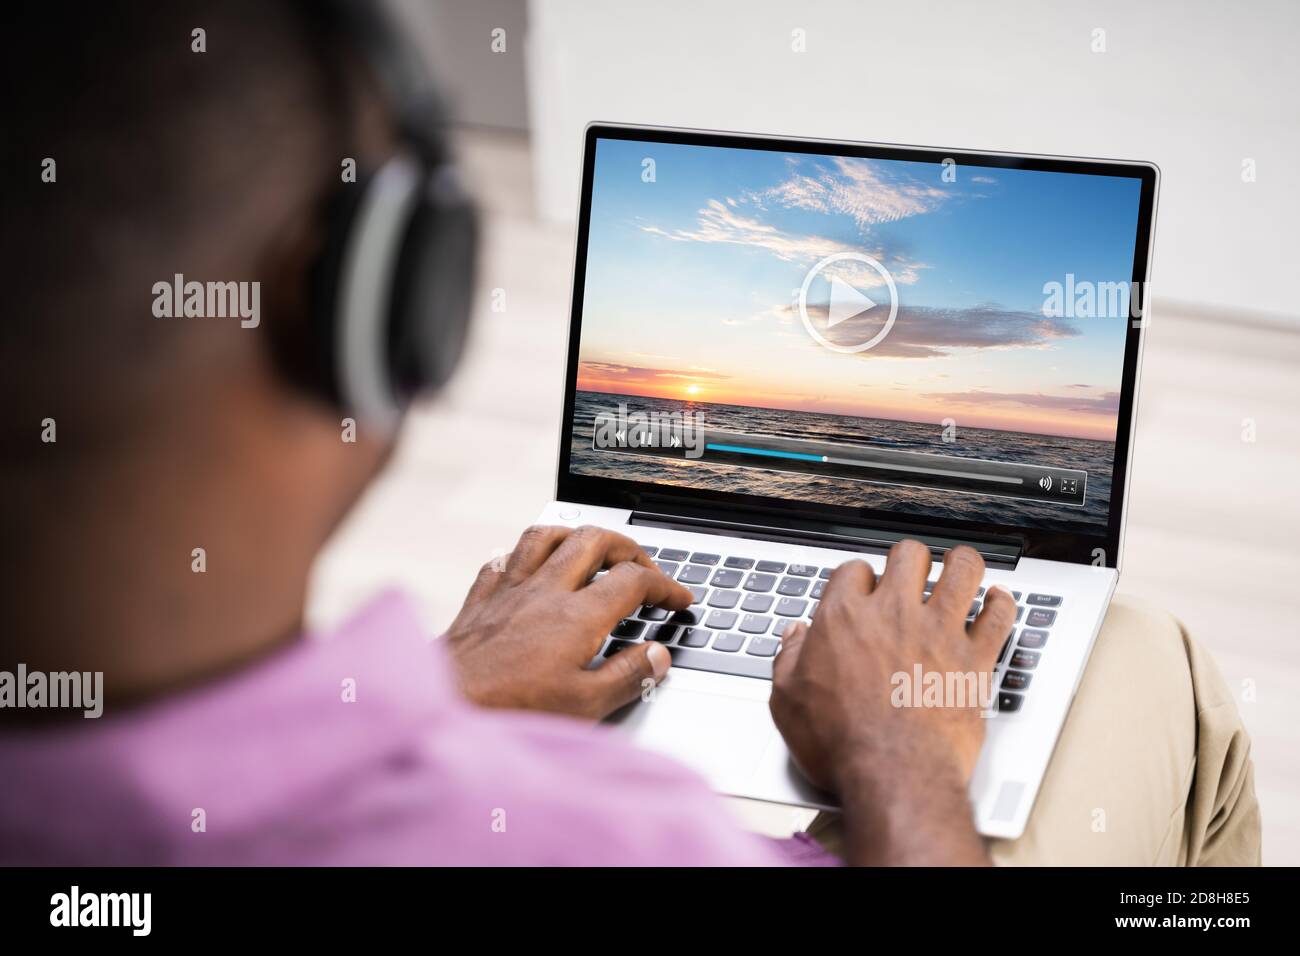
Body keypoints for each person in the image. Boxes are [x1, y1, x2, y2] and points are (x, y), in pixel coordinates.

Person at [0, 0, 1260, 866]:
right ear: (375, 317)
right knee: (1156, 658)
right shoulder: (609, 832)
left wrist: (435, 696)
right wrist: (899, 757)